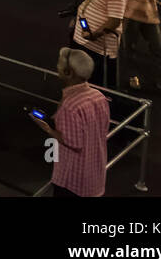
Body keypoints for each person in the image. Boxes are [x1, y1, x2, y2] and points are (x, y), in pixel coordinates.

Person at [30, 48, 110, 197]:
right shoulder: (99, 96)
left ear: (69, 72)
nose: (57, 67)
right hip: (95, 174)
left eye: (60, 65)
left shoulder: (70, 107)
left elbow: (73, 142)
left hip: (72, 180)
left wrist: (48, 129)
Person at [71, 0, 126, 89]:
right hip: (79, 40)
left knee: (96, 86)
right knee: (77, 78)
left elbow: (115, 21)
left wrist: (95, 34)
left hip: (98, 49)